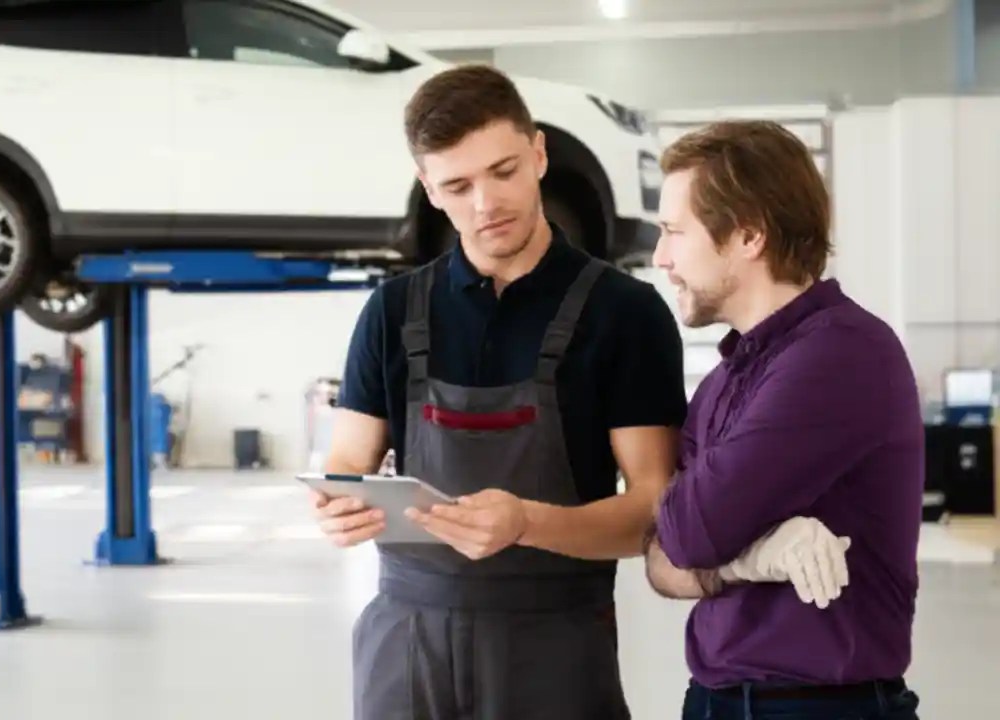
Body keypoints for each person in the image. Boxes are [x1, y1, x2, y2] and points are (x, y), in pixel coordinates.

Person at [308, 65, 848, 720]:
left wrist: (528, 523)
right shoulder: (391, 312)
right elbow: (348, 469)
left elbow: (656, 509)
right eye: (457, 185)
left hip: (553, 647)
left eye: (503, 171)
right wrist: (337, 507)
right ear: (428, 187)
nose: (485, 204)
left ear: (538, 153)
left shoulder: (624, 314)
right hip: (405, 648)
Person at [643, 120, 924, 719]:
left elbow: (688, 531)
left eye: (674, 231)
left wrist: (703, 544)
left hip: (819, 707)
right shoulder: (725, 380)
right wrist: (750, 559)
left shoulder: (842, 354)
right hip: (714, 699)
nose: (660, 257)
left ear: (747, 235)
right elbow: (660, 559)